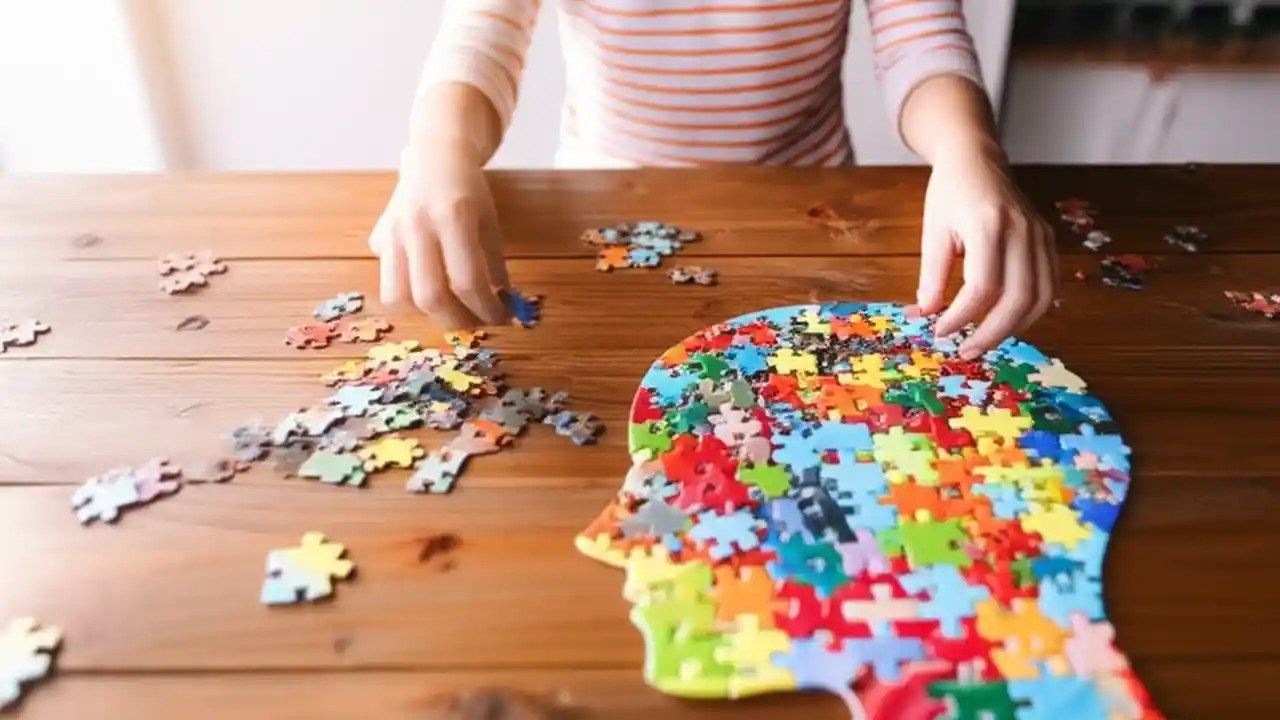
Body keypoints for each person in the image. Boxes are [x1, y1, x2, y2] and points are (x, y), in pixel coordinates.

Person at [369, 0, 1058, 360]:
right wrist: (436, 152)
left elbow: (919, 37)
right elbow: (481, 38)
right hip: (602, 220)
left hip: (808, 222)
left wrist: (970, 154)